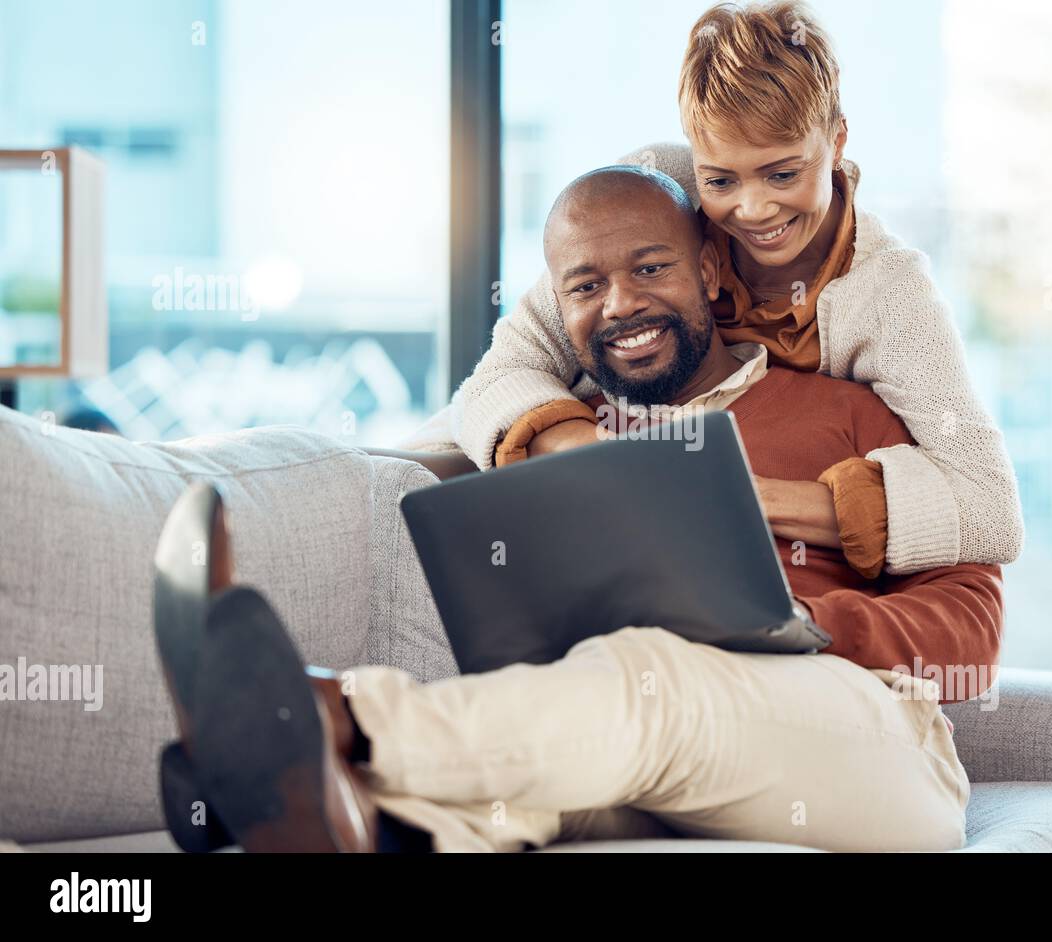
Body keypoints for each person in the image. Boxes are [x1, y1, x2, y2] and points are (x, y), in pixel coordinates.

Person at [157, 167, 1002, 854]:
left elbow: (974, 616)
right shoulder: (569, 439)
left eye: (649, 267)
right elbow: (469, 410)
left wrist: (805, 619)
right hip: (658, 750)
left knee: (652, 677)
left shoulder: (839, 412)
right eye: (586, 285)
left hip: (879, 752)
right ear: (560, 316)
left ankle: (327, 711)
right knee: (517, 793)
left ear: (709, 271)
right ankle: (335, 816)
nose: (621, 303)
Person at [401, 0, 1024, 583]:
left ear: (836, 140)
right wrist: (613, 461)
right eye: (720, 178)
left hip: (685, 512)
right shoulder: (660, 184)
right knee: (375, 486)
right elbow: (500, 373)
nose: (753, 210)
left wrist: (721, 489)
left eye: (783, 173)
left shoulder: (892, 297)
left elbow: (993, 509)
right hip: (483, 452)